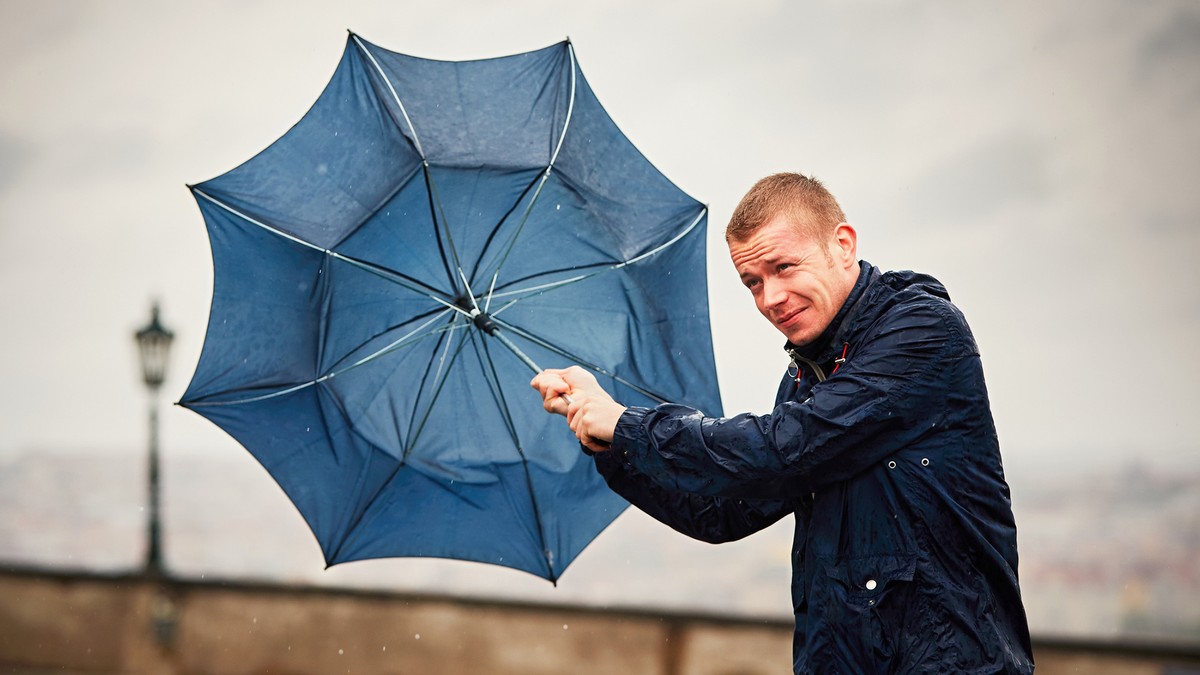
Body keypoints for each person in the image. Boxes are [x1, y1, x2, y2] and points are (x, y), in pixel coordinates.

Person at [531, 173, 1034, 673]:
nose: (769, 297)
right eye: (753, 282)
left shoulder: (924, 331)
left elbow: (781, 449)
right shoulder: (807, 377)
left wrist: (627, 425)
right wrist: (609, 443)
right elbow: (720, 512)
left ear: (842, 245)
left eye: (783, 267)